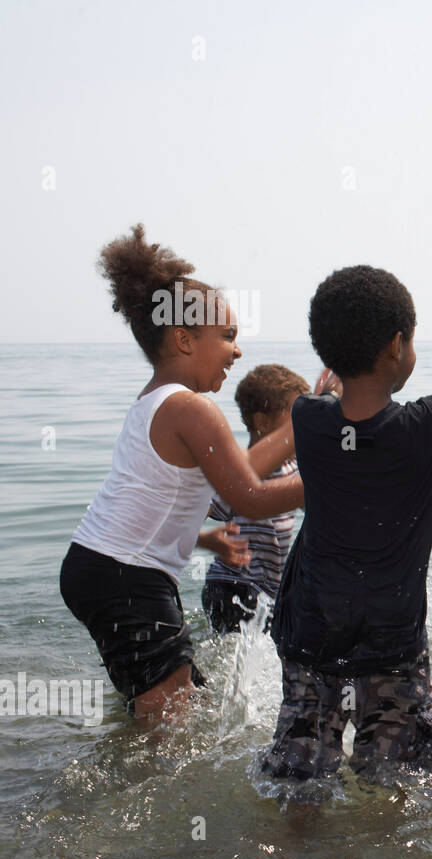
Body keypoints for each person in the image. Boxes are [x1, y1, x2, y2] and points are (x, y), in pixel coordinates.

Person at [261, 257, 432, 782]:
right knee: (401, 783)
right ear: (396, 346)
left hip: (310, 630)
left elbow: (326, 403)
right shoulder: (431, 427)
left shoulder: (308, 415)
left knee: (299, 773)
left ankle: (293, 853)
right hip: (389, 644)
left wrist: (328, 392)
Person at [60, 225, 304, 722]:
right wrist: (330, 479)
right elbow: (252, 495)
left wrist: (205, 538)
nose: (238, 351)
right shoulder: (193, 409)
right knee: (167, 727)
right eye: (229, 336)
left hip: (104, 569)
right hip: (127, 577)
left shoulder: (157, 401)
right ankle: (117, 797)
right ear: (185, 339)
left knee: (185, 701)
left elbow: (233, 476)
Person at [196, 364, 311, 633]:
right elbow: (187, 516)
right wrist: (206, 539)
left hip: (268, 591)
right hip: (230, 586)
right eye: (296, 417)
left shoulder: (294, 468)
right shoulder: (236, 473)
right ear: (262, 422)